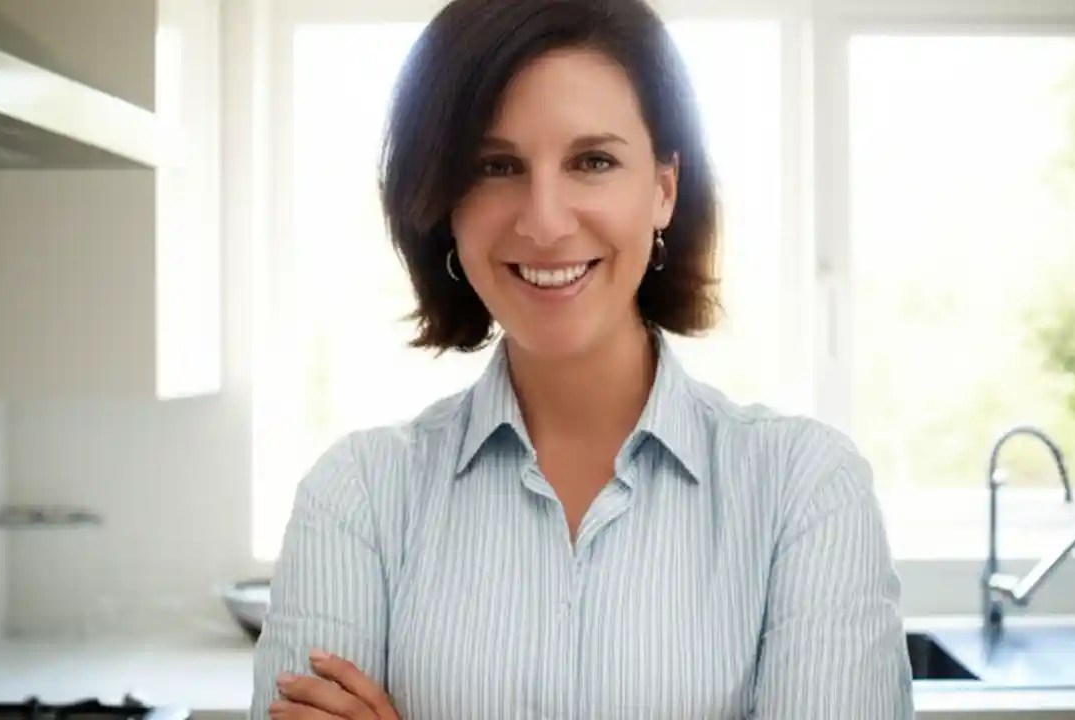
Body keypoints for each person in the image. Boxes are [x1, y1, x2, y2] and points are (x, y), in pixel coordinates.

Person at [251, 0, 914, 717]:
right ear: (443, 201)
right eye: (495, 166)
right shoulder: (357, 500)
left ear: (663, 188)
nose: (543, 220)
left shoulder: (806, 493)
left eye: (592, 161)